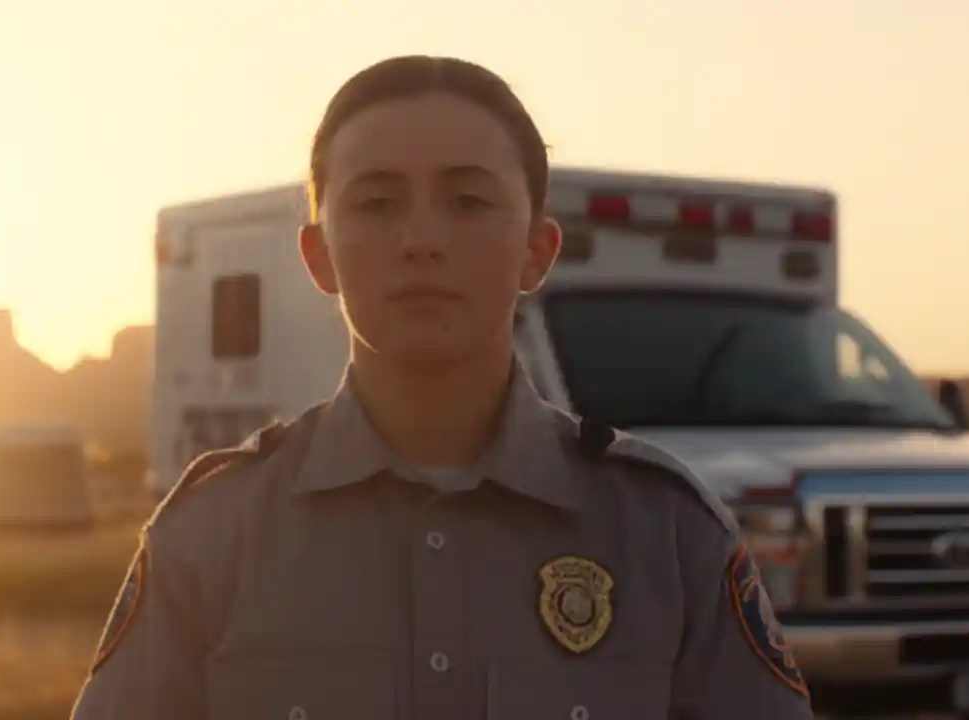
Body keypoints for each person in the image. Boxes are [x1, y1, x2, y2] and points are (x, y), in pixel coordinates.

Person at [72, 55, 814, 720]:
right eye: (377, 203)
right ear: (317, 255)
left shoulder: (665, 534)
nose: (421, 238)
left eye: (467, 202)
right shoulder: (212, 537)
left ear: (537, 251)